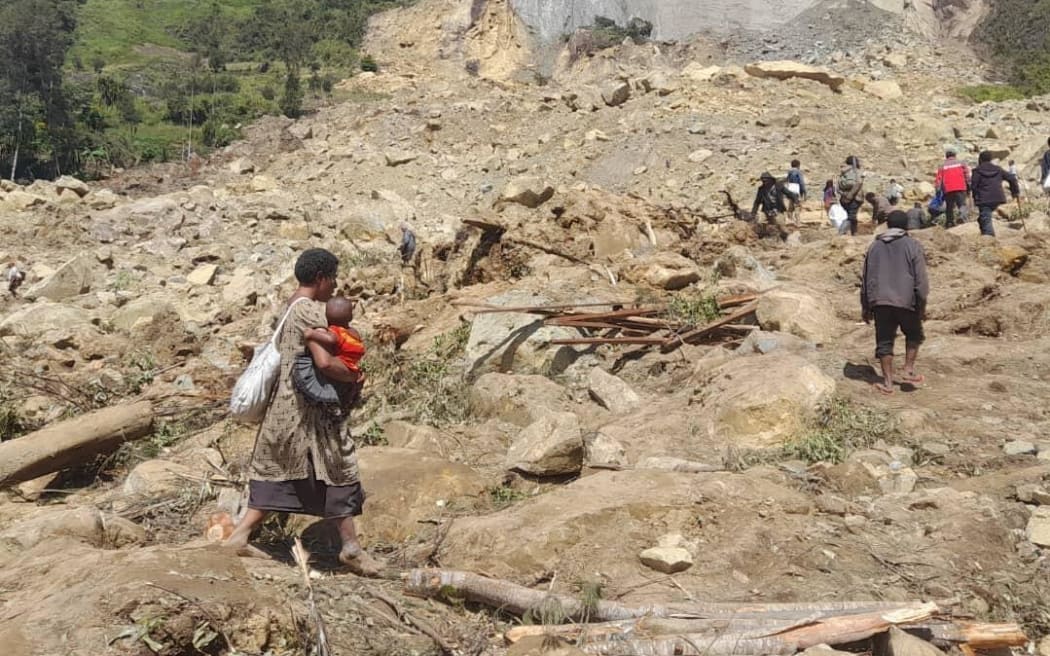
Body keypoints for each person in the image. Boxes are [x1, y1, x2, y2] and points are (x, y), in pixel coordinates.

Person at [224, 248, 382, 576]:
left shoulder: (291, 305)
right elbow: (324, 362)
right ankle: (351, 549)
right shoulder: (310, 311)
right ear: (321, 278)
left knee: (280, 473)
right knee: (337, 469)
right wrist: (353, 375)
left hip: (284, 410)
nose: (334, 285)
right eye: (333, 278)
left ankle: (239, 535)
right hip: (309, 415)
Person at [861, 210, 929, 395]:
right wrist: (922, 303)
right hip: (906, 301)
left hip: (880, 302)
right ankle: (908, 369)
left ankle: (888, 383)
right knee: (914, 334)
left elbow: (866, 277)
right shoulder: (912, 245)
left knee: (884, 341)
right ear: (906, 225)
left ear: (888, 225)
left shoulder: (874, 246)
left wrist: (865, 306)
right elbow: (921, 279)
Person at [305, 296, 366, 375]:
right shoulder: (353, 331)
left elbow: (331, 339)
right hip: (356, 360)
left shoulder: (335, 331)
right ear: (351, 317)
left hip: (347, 363)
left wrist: (312, 334)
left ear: (326, 316)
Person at [970, 150, 1020, 237]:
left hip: (984, 198)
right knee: (983, 218)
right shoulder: (998, 169)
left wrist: (975, 198)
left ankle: (989, 238)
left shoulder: (977, 171)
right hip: (998, 197)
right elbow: (1012, 178)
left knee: (986, 218)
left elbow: (974, 186)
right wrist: (1015, 192)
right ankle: (985, 234)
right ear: (990, 159)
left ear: (980, 159)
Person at [934, 149, 971, 228]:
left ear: (946, 156)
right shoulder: (961, 163)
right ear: (955, 155)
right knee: (962, 205)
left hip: (948, 189)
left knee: (949, 207)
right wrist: (969, 186)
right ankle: (962, 217)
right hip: (961, 187)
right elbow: (967, 176)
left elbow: (939, 179)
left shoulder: (942, 166)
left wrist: (938, 190)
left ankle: (949, 222)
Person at [838, 156, 865, 235]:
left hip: (845, 197)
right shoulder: (855, 172)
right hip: (854, 198)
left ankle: (854, 233)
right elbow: (857, 183)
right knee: (851, 216)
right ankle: (841, 232)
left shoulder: (844, 171)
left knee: (852, 216)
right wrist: (850, 195)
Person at [785, 159, 806, 225]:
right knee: (797, 206)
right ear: (798, 165)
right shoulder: (798, 172)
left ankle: (790, 221)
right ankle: (797, 222)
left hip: (790, 190)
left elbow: (786, 182)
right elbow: (801, 183)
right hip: (796, 190)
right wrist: (804, 193)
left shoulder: (789, 172)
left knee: (790, 207)